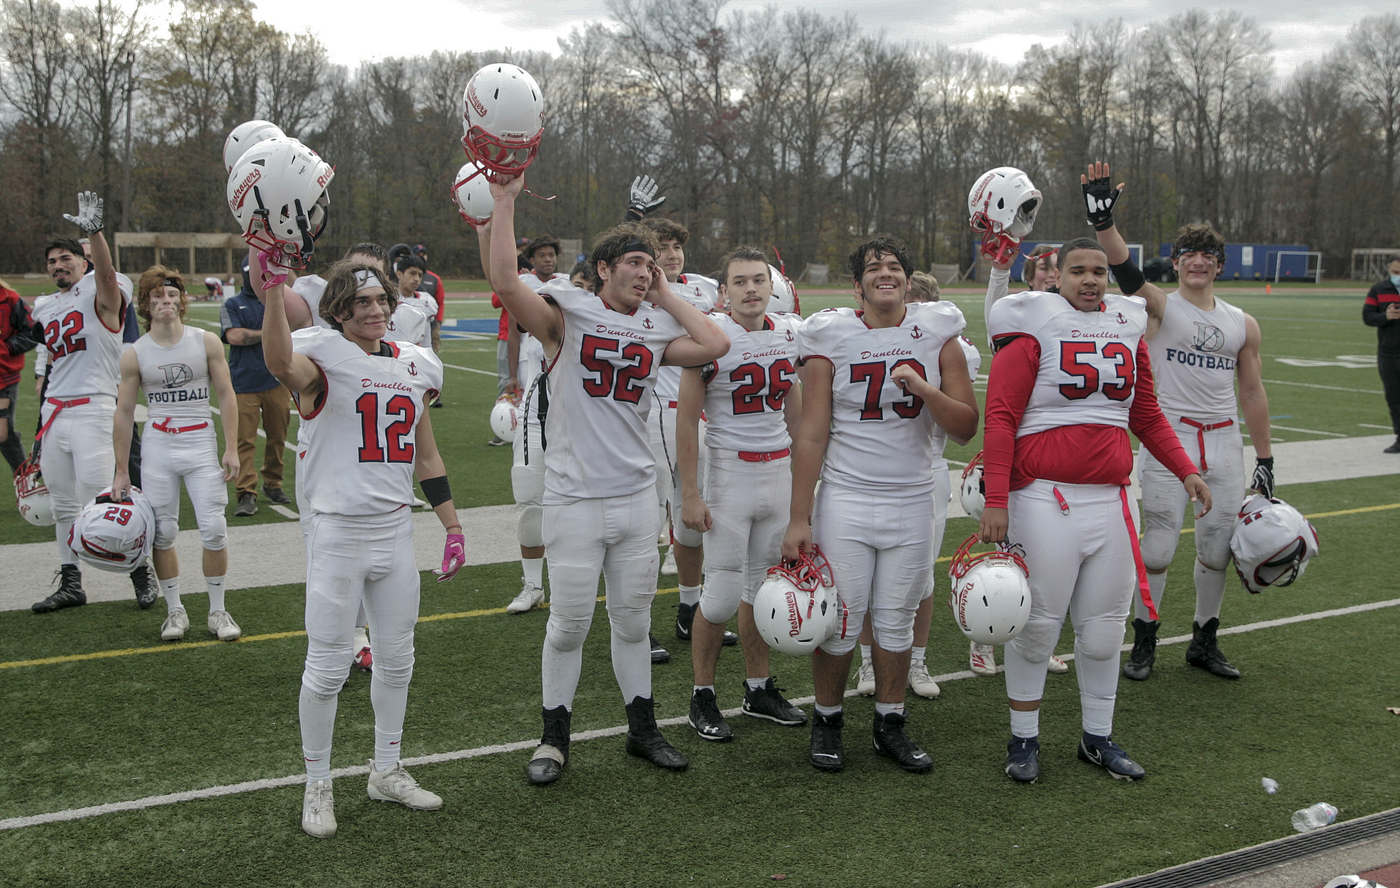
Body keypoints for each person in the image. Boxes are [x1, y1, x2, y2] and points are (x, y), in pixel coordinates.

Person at [486, 172, 728, 786]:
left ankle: (642, 729)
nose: (646, 272)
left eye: (651, 264)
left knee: (632, 622)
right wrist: (506, 201)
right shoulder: (569, 315)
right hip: (573, 497)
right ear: (602, 269)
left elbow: (714, 343)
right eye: (635, 263)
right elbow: (506, 282)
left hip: (635, 497)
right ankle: (554, 737)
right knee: (568, 625)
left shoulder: (655, 323)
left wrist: (666, 294)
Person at [981, 234, 1210, 783]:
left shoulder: (1126, 325)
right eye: (1078, 270)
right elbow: (1001, 417)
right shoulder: (1033, 325)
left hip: (1111, 498)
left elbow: (1146, 414)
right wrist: (996, 499)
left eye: (1099, 272)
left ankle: (1098, 737)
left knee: (1105, 631)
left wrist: (1186, 469)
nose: (1089, 280)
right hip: (1045, 497)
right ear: (1057, 276)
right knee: (1038, 627)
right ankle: (1023, 738)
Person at [257, 251, 464, 838]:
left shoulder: (414, 364)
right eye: (361, 302)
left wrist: (452, 526)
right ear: (339, 311)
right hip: (339, 532)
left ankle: (386, 769)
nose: (375, 310)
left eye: (380, 300)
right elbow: (279, 360)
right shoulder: (321, 359)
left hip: (395, 530)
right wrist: (272, 289)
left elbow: (426, 455)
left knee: (398, 659)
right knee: (326, 669)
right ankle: (317, 783)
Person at [783, 236, 979, 773]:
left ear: (908, 282)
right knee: (840, 622)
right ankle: (827, 721)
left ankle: (890, 723)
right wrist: (799, 516)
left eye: (893, 266)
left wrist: (926, 390)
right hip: (847, 498)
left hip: (913, 498)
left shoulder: (937, 332)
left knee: (896, 622)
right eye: (873, 268)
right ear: (858, 286)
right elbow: (812, 434)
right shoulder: (830, 335)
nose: (884, 273)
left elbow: (965, 427)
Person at [1083, 163, 1274, 682]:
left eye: (1207, 255)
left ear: (1220, 266)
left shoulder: (1242, 322)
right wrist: (1104, 224)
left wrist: (1265, 457)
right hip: (1172, 438)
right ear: (1176, 262)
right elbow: (1126, 272)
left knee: (1217, 548)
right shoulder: (1161, 308)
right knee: (1160, 545)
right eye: (1188, 253)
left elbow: (1252, 392)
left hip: (1223, 442)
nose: (1198, 261)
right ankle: (1145, 638)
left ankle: (1203, 640)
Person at [678, 247, 806, 741]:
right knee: (721, 596)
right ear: (724, 291)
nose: (751, 289)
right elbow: (686, 422)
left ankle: (758, 688)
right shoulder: (711, 336)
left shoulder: (790, 334)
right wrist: (691, 493)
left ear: (772, 287)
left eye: (758, 280)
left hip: (778, 472)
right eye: (740, 281)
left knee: (762, 589)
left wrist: (804, 490)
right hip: (730, 473)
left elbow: (796, 416)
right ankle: (702, 695)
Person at [850, 269, 985, 700]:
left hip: (928, 468)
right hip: (871, 472)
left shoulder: (950, 348)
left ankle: (917, 660)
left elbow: (962, 422)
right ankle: (868, 660)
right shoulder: (860, 339)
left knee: (921, 579)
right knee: (867, 582)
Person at [31, 194, 158, 613]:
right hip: (55, 411)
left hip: (94, 408)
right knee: (63, 505)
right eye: (51, 261)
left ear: (82, 262)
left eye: (65, 258)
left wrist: (96, 234)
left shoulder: (101, 290)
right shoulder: (45, 306)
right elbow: (45, 355)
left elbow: (105, 276)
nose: (58, 265)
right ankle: (71, 582)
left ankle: (140, 570)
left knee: (106, 496)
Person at [112, 267, 241, 642]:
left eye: (171, 295)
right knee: (163, 531)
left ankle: (217, 610)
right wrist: (122, 470)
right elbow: (124, 412)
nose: (165, 301)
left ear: (181, 301)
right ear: (146, 305)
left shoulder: (205, 341)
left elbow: (226, 394)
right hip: (159, 444)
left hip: (200, 440)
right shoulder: (135, 353)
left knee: (214, 528)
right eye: (156, 297)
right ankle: (174, 610)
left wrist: (232, 447)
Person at [638, 215, 734, 662]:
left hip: (700, 416)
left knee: (692, 518)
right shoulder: (638, 289)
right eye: (661, 247)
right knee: (648, 523)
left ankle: (689, 608)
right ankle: (636, 623)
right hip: (653, 414)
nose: (672, 254)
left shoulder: (705, 287)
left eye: (676, 246)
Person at [975, 245, 1071, 679]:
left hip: (1058, 463)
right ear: (1030, 279)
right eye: (1044, 269)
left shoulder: (1078, 321)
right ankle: (984, 636)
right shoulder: (1019, 319)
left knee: (1053, 566)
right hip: (1016, 454)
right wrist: (1000, 268)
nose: (1051, 275)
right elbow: (995, 308)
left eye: (1056, 269)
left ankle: (1039, 640)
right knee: (1009, 554)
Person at [219, 257, 293, 516]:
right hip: (244, 382)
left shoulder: (277, 300)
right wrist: (270, 333)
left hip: (277, 381)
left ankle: (273, 483)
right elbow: (234, 336)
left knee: (277, 438)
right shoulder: (232, 304)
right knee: (244, 441)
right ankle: (246, 491)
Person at [1363, 255, 1400, 453]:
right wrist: (1385, 316)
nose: (1398, 276)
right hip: (1388, 352)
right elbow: (1367, 316)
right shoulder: (1379, 289)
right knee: (1393, 397)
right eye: (1395, 272)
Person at [1, 279, 37, 474]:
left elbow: (32, 333)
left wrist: (6, 348)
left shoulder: (11, 299)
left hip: (4, 377)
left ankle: (24, 479)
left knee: (3, 434)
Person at [410, 244, 445, 356]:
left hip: (430, 323)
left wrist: (438, 321)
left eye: (423, 254)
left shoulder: (434, 278)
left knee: (432, 353)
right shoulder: (405, 277)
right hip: (411, 323)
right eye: (418, 254)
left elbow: (440, 301)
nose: (421, 257)